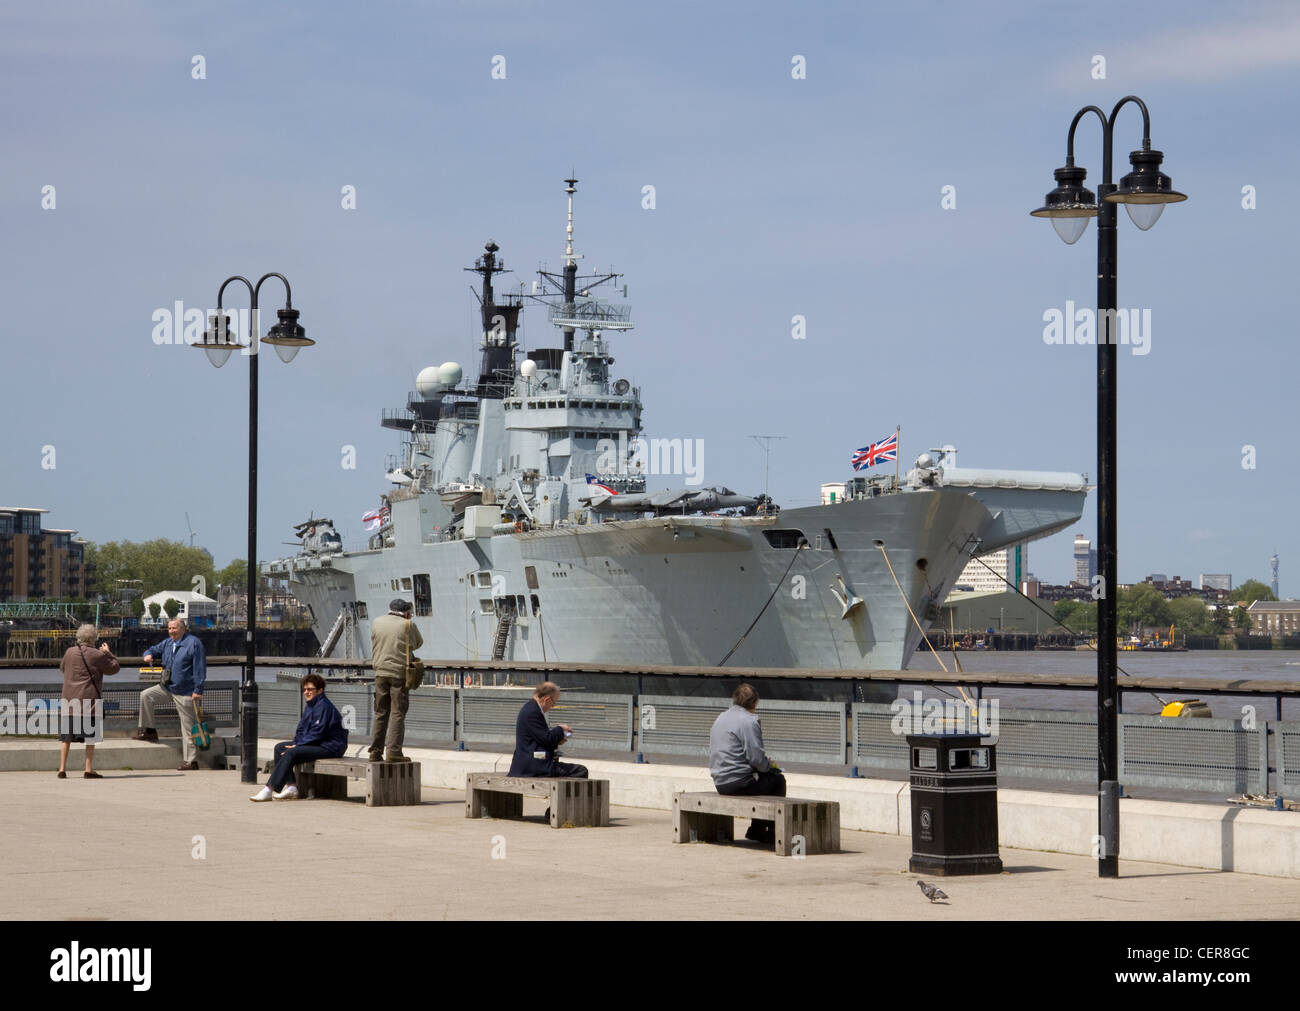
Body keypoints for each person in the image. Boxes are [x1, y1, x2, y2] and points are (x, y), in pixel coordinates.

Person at [250, 673, 347, 801]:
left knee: (291, 753)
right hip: (317, 743)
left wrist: (298, 745)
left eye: (310, 689)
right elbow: (301, 729)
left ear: (320, 690)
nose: (306, 692)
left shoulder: (324, 706)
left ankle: (269, 789)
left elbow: (318, 732)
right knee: (279, 748)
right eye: (304, 689)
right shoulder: (311, 705)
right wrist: (296, 742)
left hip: (330, 746)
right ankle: (291, 787)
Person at [709, 682, 786, 843]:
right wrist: (770, 766)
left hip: (720, 783)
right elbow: (756, 758)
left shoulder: (721, 717)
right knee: (777, 780)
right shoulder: (749, 720)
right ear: (755, 702)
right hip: (739, 783)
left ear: (735, 700)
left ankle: (757, 829)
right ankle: (765, 831)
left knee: (765, 777)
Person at [136, 617, 207, 770]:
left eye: (174, 628)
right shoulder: (168, 643)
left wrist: (198, 690)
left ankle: (191, 761)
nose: (171, 631)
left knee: (187, 726)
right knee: (146, 695)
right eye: (169, 628)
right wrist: (148, 654)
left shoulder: (194, 643)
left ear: (183, 628)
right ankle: (149, 730)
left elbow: (199, 668)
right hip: (168, 687)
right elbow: (153, 649)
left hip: (186, 691)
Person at [57, 625, 120, 779]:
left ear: (79, 637)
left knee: (66, 737)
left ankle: (62, 769)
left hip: (70, 701)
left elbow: (62, 668)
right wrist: (108, 653)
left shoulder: (69, 652)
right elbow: (114, 668)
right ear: (93, 638)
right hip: (89, 701)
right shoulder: (97, 654)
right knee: (90, 738)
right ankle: (88, 769)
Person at [368, 598, 421, 762]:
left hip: (380, 673)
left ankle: (375, 752)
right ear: (406, 613)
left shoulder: (377, 622)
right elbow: (418, 643)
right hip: (399, 674)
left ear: (389, 609)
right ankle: (394, 752)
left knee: (380, 712)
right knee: (398, 713)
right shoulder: (407, 624)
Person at [507, 682, 587, 778]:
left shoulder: (530, 708)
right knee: (581, 771)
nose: (552, 707)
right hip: (532, 766)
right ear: (547, 699)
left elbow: (540, 739)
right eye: (553, 703)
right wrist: (560, 729)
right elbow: (546, 738)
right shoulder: (532, 712)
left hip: (530, 762)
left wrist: (558, 740)